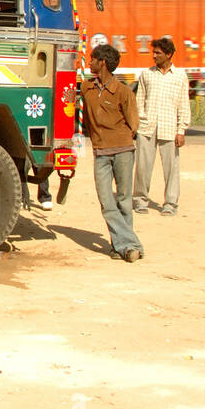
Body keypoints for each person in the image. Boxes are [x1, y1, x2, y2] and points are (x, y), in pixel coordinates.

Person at [80, 43, 143, 262]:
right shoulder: (86, 89)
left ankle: (121, 246)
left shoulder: (123, 92)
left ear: (102, 63)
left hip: (123, 150)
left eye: (93, 59)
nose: (89, 63)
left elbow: (133, 123)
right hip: (101, 152)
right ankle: (130, 244)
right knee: (107, 202)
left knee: (124, 200)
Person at [134, 36, 191, 216]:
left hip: (169, 128)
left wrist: (181, 130)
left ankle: (171, 203)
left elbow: (184, 104)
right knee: (143, 166)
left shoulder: (180, 76)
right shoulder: (147, 74)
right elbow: (139, 101)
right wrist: (139, 123)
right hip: (147, 127)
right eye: (153, 52)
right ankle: (140, 200)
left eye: (158, 53)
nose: (154, 56)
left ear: (168, 54)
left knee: (171, 168)